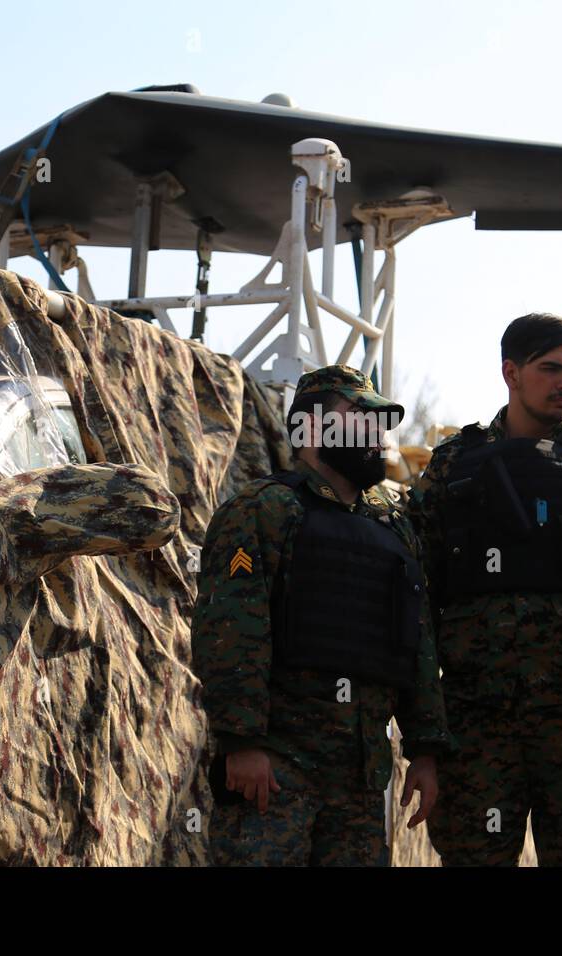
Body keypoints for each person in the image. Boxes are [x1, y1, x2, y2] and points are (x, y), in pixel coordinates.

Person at [191, 365, 452, 866]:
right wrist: (242, 740)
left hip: (359, 778)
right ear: (312, 428)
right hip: (275, 766)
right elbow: (229, 632)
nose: (378, 434)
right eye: (361, 419)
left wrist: (425, 747)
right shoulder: (262, 510)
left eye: (382, 423)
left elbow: (414, 641)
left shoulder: (393, 528)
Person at [407, 313, 562, 866]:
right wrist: (424, 734)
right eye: (551, 368)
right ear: (511, 372)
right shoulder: (453, 466)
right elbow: (416, 600)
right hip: (477, 725)